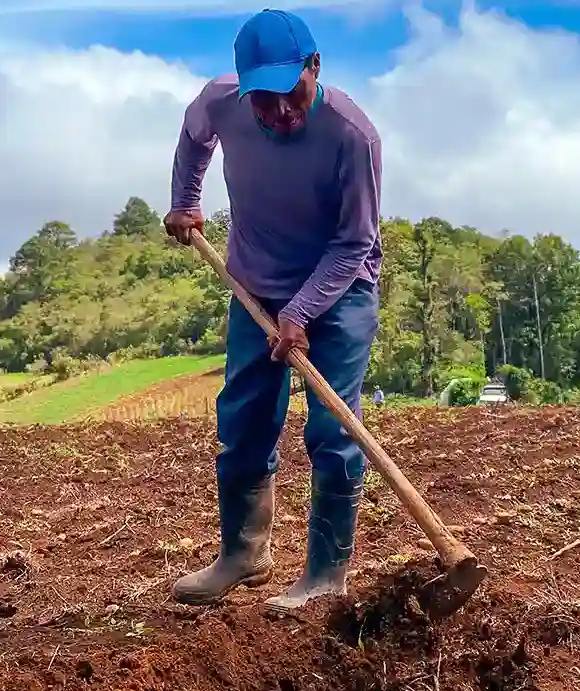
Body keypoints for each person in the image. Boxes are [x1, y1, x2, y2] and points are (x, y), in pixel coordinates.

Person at [162, 8, 383, 614]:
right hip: (256, 284)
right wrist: (185, 199)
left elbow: (354, 241)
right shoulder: (220, 101)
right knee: (243, 418)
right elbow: (194, 135)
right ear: (243, 87)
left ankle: (325, 576)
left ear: (315, 67)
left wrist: (303, 312)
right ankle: (243, 554)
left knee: (333, 429)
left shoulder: (352, 135)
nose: (281, 110)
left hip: (338, 290)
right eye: (264, 97)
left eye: (292, 91)